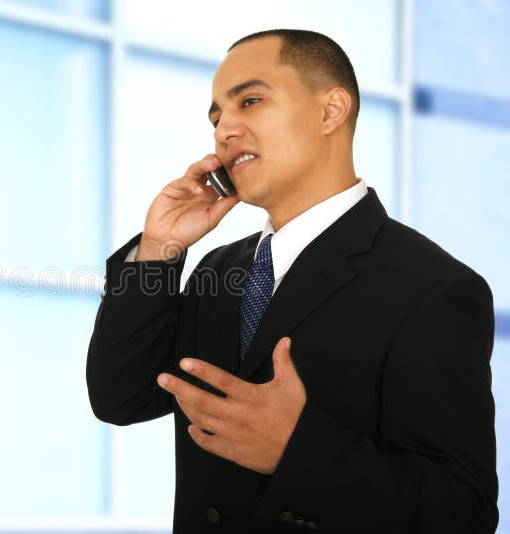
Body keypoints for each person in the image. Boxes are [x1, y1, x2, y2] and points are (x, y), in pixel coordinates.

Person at [86, 29, 498, 533]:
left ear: (331, 111)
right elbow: (119, 397)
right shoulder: (219, 268)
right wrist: (158, 250)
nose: (223, 130)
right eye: (216, 117)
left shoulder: (435, 288)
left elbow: (462, 514)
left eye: (250, 101)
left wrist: (297, 451)